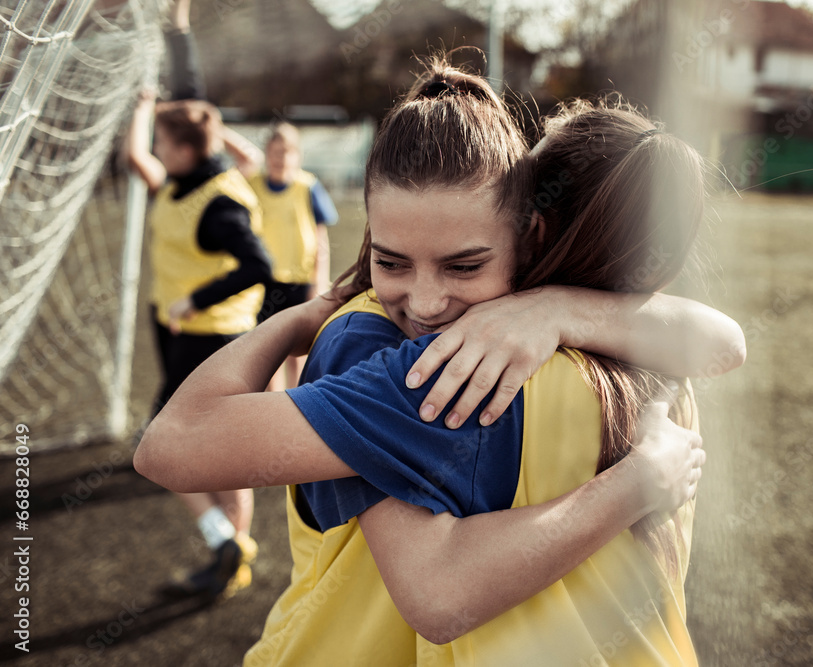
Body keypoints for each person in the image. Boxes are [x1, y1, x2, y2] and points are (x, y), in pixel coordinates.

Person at [136, 56, 743, 665]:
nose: (425, 303)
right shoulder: (660, 367)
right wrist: (561, 311)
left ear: (531, 233)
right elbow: (726, 343)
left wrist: (293, 322)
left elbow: (173, 443)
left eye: (464, 264)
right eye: (392, 260)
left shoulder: (438, 369)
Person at [124, 0, 269, 600]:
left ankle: (222, 542)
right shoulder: (184, 178)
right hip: (191, 335)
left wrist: (192, 300)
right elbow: (188, 107)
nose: (157, 147)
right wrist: (177, 33)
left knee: (158, 446)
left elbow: (258, 265)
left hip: (211, 338)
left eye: (164, 138)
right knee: (219, 453)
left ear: (185, 148)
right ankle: (232, 556)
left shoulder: (217, 204)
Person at [249, 122, 337, 391]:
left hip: (299, 283)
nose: (281, 159)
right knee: (267, 355)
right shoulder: (251, 186)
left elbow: (321, 241)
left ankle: (296, 402)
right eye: (276, 152)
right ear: (266, 154)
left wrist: (318, 284)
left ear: (297, 156)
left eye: (287, 153)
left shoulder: (307, 187)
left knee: (298, 354)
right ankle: (270, 406)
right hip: (261, 285)